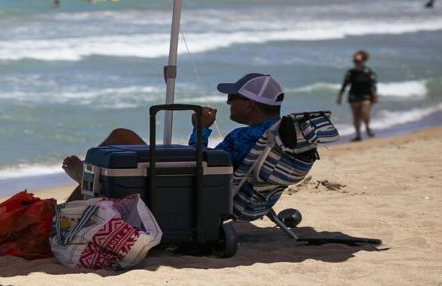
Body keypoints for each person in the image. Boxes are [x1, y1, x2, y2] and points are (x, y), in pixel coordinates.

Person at [60, 73, 287, 201]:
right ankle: (88, 178)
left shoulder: (244, 136)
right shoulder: (280, 134)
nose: (228, 102)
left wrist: (201, 128)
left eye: (232, 97)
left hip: (186, 192)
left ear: (249, 105)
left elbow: (198, 163)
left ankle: (87, 178)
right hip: (243, 196)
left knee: (122, 136)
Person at [335, 50, 377, 141]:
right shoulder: (350, 72)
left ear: (363, 61)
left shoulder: (368, 71)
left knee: (364, 112)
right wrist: (339, 96)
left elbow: (373, 85)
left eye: (359, 61)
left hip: (366, 95)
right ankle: (358, 135)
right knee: (356, 116)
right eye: (355, 61)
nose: (357, 63)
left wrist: (374, 95)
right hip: (353, 95)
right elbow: (344, 85)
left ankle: (367, 127)